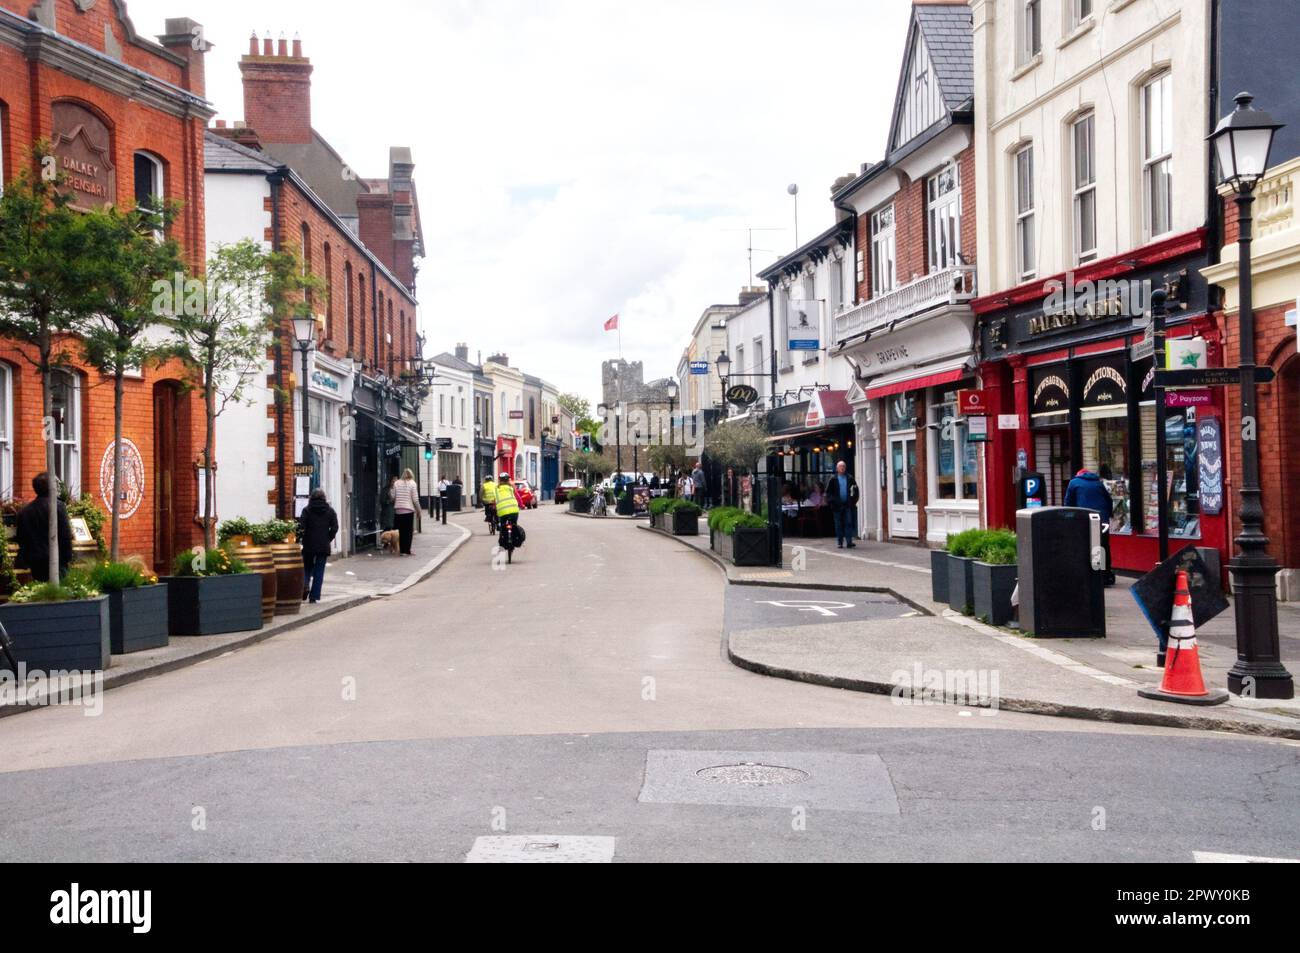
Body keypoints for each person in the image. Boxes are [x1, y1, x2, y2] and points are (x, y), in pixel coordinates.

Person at [15, 472, 73, 583]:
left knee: (41, 587)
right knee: (59, 590)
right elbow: (65, 534)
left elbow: (21, 537)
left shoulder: (25, 511)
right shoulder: (58, 506)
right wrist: (68, 557)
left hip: (35, 559)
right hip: (56, 558)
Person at [1065, 468, 1116, 585]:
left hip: (1084, 518)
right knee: (1102, 546)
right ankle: (1104, 575)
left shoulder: (1074, 483)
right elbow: (1109, 501)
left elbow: (1068, 503)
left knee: (1086, 545)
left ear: (1078, 475)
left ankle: (1091, 575)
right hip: (1101, 519)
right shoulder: (1098, 483)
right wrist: (1109, 515)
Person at [298, 488, 339, 604]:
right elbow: (335, 527)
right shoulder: (330, 511)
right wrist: (328, 538)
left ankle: (305, 585)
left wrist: (301, 539)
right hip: (323, 545)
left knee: (306, 567)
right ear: (324, 498)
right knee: (319, 571)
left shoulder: (306, 510)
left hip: (309, 544)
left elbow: (301, 527)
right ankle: (314, 596)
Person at [824, 461, 860, 549]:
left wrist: (853, 501)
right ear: (837, 468)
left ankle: (849, 542)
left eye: (843, 466)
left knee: (848, 523)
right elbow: (828, 493)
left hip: (847, 505)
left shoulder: (850, 478)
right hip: (837, 506)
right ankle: (840, 542)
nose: (842, 468)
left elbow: (855, 490)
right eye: (840, 467)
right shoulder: (833, 479)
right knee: (838, 524)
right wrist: (832, 501)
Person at [392, 468, 420, 556]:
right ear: (411, 475)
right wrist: (419, 510)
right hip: (408, 511)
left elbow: (393, 496)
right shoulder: (412, 483)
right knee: (408, 532)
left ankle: (400, 550)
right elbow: (415, 499)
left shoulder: (396, 483)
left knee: (400, 531)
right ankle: (406, 550)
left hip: (398, 511)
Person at [493, 471, 521, 547]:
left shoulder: (496, 489)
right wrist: (521, 505)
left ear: (499, 480)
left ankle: (503, 540)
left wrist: (494, 507)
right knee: (514, 525)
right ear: (508, 480)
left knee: (502, 526)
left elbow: (494, 500)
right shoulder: (511, 487)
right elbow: (517, 496)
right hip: (514, 510)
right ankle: (515, 539)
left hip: (502, 511)